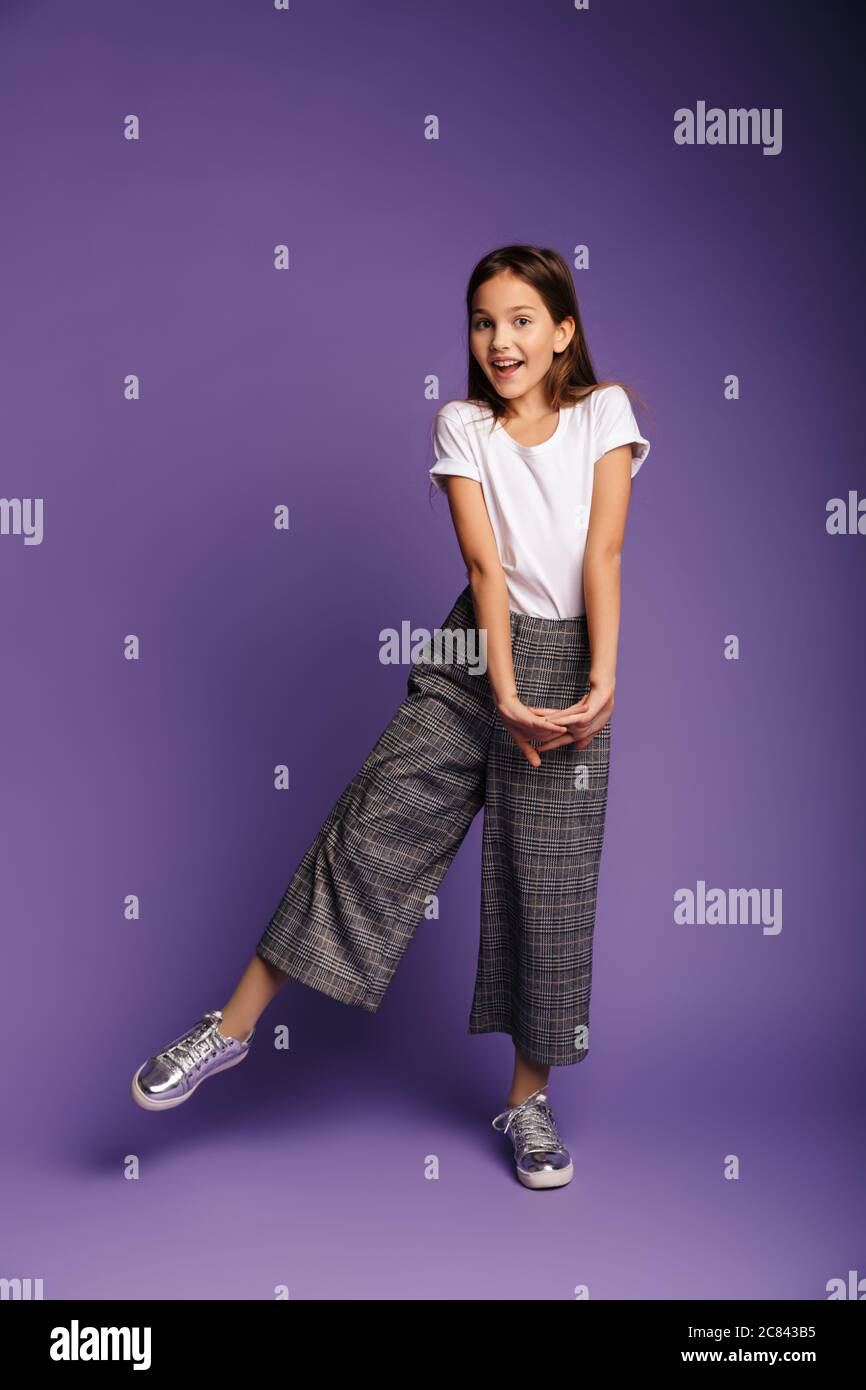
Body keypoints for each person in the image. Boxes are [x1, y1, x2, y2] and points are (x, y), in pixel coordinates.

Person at [130, 243, 651, 1192]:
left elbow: (603, 554)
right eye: (484, 321)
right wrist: (497, 686)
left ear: (564, 330)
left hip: (576, 654)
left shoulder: (603, 414)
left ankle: (529, 1103)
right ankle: (229, 1030)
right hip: (474, 653)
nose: (501, 340)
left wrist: (603, 678)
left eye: (523, 319)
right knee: (369, 830)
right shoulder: (461, 426)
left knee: (552, 887)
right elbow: (486, 571)